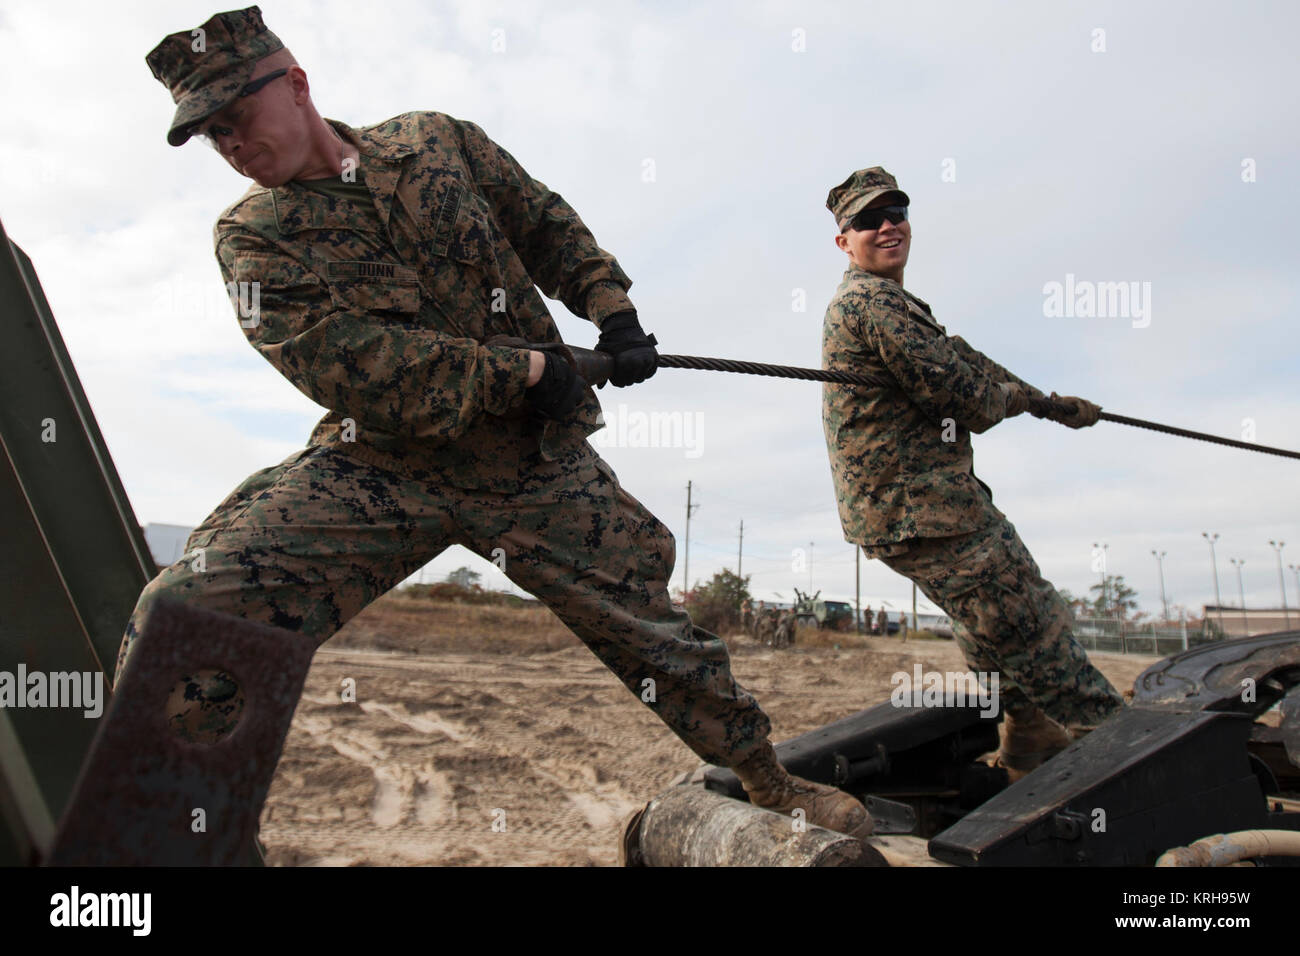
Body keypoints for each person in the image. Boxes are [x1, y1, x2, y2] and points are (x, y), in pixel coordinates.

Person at [123, 6, 875, 845]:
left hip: (532, 463)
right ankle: (189, 838)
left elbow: (542, 219)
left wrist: (610, 309)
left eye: (234, 116)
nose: (228, 142)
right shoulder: (252, 238)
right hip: (384, 467)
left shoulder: (434, 142)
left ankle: (771, 783)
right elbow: (350, 362)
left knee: (653, 627)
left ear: (295, 83)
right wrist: (522, 369)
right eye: (209, 132)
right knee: (193, 603)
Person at [821, 167, 1124, 781]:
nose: (887, 226)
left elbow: (963, 358)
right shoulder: (870, 302)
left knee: (988, 626)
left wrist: (1051, 404)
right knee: (1031, 622)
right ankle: (1124, 746)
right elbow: (968, 397)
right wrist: (1017, 400)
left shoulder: (896, 306)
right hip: (925, 508)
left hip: (911, 509)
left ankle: (1028, 736)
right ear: (844, 241)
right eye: (867, 220)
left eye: (896, 212)